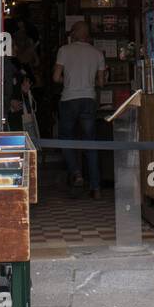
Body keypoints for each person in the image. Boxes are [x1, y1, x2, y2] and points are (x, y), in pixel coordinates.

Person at [53, 20, 106, 198]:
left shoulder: (64, 51)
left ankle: (76, 173)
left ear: (74, 34)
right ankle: (96, 187)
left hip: (69, 99)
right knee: (90, 142)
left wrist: (68, 81)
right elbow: (101, 82)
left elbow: (55, 78)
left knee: (65, 138)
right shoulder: (97, 54)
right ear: (88, 35)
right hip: (89, 99)